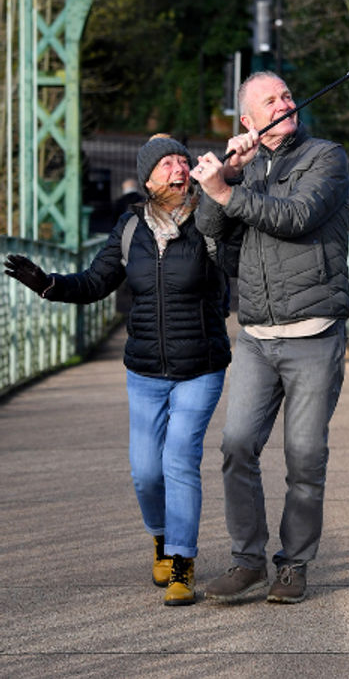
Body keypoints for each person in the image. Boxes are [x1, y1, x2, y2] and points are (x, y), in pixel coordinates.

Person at [3, 134, 236, 606]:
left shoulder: (210, 220)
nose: (177, 167)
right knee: (145, 472)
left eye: (182, 161)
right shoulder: (131, 228)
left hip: (201, 364)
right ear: (148, 178)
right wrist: (48, 285)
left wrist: (233, 176)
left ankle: (182, 563)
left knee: (179, 461)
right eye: (166, 162)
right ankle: (160, 538)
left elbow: (239, 247)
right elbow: (95, 281)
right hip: (145, 370)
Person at [190, 70, 349, 605]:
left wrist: (226, 192)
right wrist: (229, 175)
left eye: (286, 95)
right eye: (269, 100)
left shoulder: (326, 157)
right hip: (256, 334)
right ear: (248, 120)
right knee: (237, 446)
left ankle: (294, 565)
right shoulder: (247, 166)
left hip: (313, 331)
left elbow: (297, 215)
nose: (283, 103)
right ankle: (247, 561)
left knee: (305, 455)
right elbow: (211, 228)